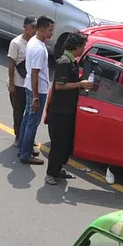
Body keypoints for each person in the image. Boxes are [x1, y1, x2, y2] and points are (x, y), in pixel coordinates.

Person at [45, 34, 93, 185]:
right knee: (58, 144)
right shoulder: (64, 62)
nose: (84, 49)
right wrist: (80, 85)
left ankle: (58, 170)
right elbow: (60, 85)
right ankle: (51, 174)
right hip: (59, 112)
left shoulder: (73, 62)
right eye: (83, 46)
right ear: (76, 47)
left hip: (68, 111)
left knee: (66, 143)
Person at [17, 17, 56, 166]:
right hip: (37, 90)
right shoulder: (39, 49)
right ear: (41, 29)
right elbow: (35, 74)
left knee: (27, 119)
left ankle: (23, 147)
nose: (52, 33)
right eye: (50, 30)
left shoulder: (33, 41)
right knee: (32, 122)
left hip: (29, 86)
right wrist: (36, 97)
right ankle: (25, 154)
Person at [8, 16, 38, 144]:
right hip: (18, 84)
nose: (34, 30)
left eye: (36, 27)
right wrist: (12, 84)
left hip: (29, 84)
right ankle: (18, 136)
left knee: (29, 113)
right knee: (18, 112)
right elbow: (11, 65)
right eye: (32, 27)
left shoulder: (35, 42)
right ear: (25, 26)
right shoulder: (16, 43)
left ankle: (27, 138)